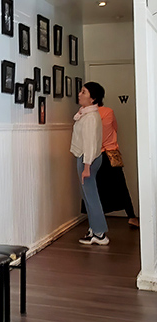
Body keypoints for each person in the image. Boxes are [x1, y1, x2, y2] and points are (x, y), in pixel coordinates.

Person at [87, 82, 139, 229]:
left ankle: (96, 223)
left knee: (95, 189)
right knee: (121, 186)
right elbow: (113, 129)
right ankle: (131, 216)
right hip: (109, 153)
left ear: (93, 97)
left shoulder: (85, 113)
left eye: (84, 92)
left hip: (94, 155)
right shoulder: (108, 112)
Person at [71, 82, 109, 246]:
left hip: (88, 159)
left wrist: (86, 167)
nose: (79, 94)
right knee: (87, 195)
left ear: (93, 98)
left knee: (91, 195)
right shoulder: (86, 114)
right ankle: (94, 229)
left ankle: (100, 234)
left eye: (83, 92)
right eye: (81, 91)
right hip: (86, 158)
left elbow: (90, 145)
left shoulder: (91, 118)